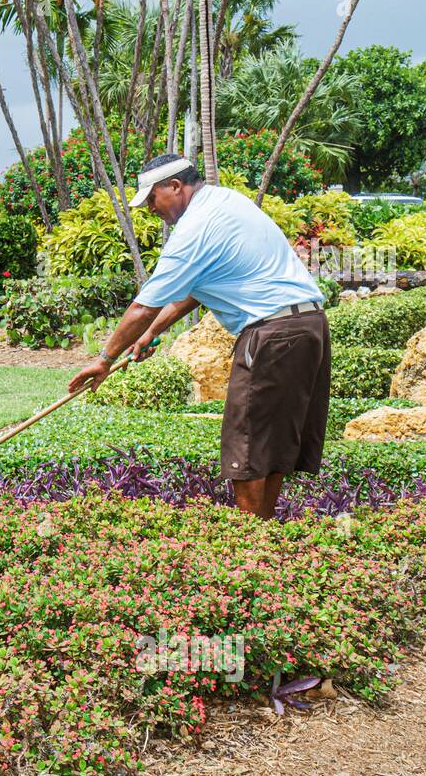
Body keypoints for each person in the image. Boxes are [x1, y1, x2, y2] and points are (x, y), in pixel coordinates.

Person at [68, 153, 330, 519]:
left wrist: (104, 360)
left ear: (174, 187)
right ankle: (267, 535)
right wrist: (152, 333)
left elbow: (143, 307)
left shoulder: (194, 228)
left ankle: (252, 546)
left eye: (152, 200)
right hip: (308, 326)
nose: (150, 210)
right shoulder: (227, 202)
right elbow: (192, 291)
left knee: (247, 448)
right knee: (270, 447)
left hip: (272, 335)